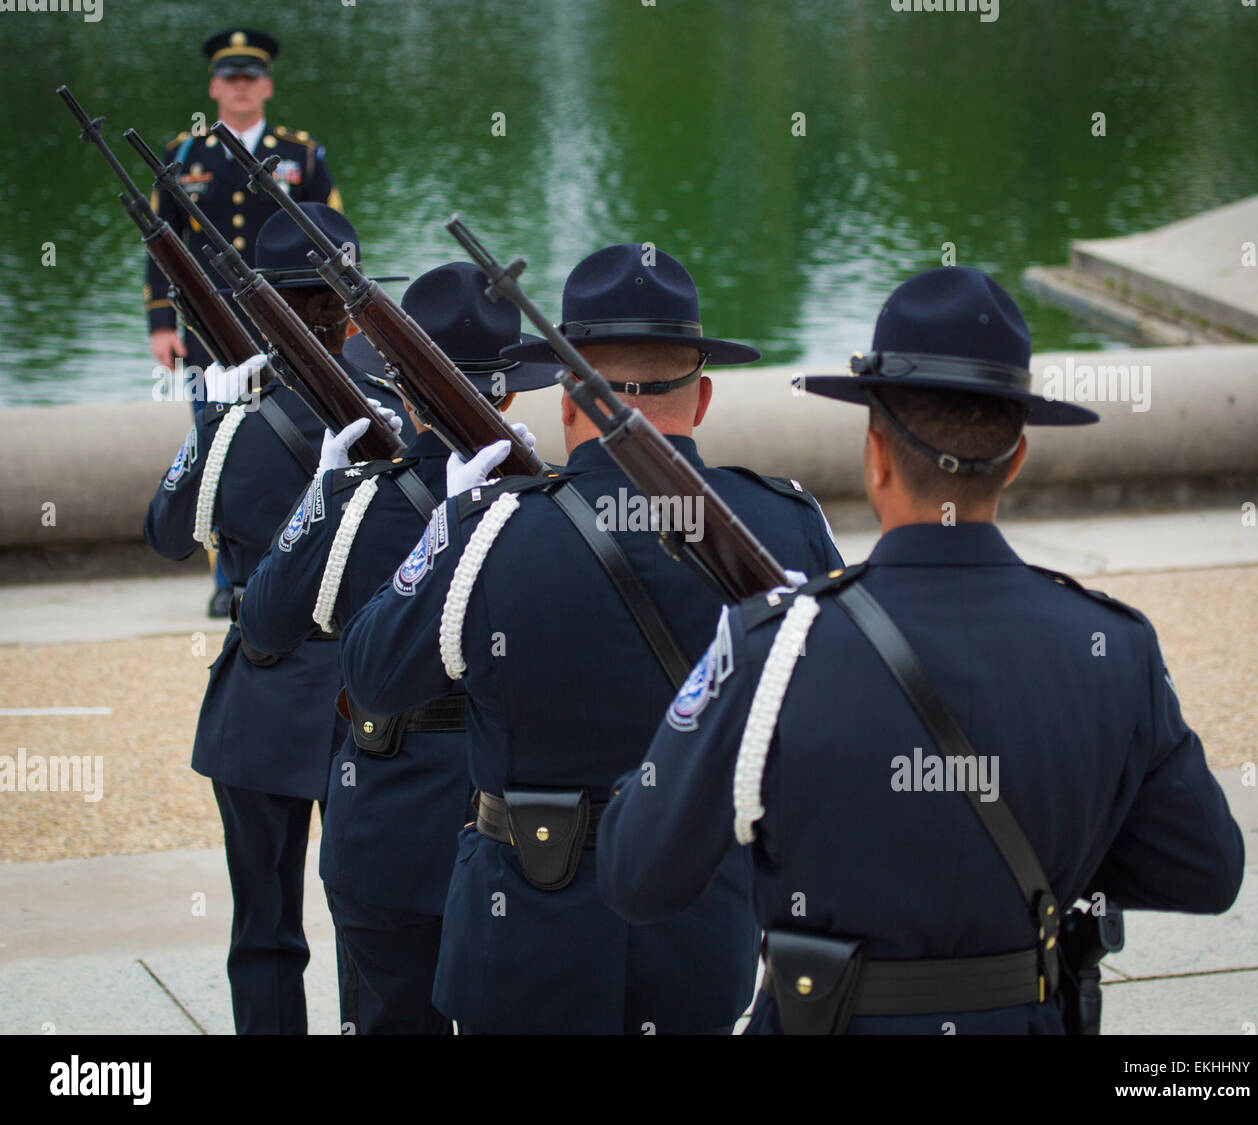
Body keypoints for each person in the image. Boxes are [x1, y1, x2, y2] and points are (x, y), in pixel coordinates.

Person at [596, 266, 1245, 1034]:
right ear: (1016, 457)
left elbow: (638, 876)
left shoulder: (776, 644)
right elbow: (1206, 869)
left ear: (875, 456)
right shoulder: (1114, 648)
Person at [339, 243, 844, 1034]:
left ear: (568, 396)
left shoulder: (490, 528)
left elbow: (372, 675)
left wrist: (445, 521)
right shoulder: (787, 526)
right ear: (703, 397)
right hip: (702, 934)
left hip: (521, 944)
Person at [237, 262, 554, 1034]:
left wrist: (319, 496)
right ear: (508, 394)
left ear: (403, 395)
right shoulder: (551, 510)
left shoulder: (355, 504)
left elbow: (263, 628)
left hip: (388, 832)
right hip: (520, 842)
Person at [142, 204, 406, 1035]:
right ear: (352, 308)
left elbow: (164, 533)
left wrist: (210, 420)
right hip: (372, 699)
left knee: (263, 932)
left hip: (264, 692)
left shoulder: (236, 420)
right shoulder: (399, 411)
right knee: (375, 924)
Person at [144, 27, 343, 617]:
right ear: (214, 87)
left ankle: (299, 555)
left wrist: (336, 319)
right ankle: (226, 575)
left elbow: (334, 239)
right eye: (229, 78)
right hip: (211, 328)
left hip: (290, 322)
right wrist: (162, 322)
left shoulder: (303, 155)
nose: (239, 87)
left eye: (249, 77)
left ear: (267, 86)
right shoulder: (183, 155)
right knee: (216, 439)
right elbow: (162, 246)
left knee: (297, 435)